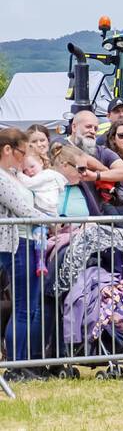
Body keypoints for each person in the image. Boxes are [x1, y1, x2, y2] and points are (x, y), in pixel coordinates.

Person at [0, 128, 45, 378]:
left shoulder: (13, 175)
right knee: (22, 308)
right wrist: (52, 221)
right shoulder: (2, 178)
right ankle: (15, 367)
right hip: (16, 245)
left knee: (28, 307)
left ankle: (23, 364)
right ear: (8, 149)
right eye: (22, 151)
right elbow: (23, 210)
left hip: (29, 242)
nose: (24, 156)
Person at [68, 110, 123, 189]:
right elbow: (82, 158)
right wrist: (104, 169)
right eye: (88, 127)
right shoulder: (60, 144)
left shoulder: (101, 151)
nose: (93, 131)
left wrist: (96, 176)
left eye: (95, 129)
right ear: (74, 127)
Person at [20, 152, 66, 218]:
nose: (29, 171)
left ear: (41, 163)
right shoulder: (46, 176)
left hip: (48, 213)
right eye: (25, 171)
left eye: (32, 166)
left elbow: (27, 183)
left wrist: (19, 172)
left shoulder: (47, 175)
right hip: (43, 213)